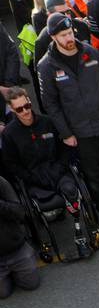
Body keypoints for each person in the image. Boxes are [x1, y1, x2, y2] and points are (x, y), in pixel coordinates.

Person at [37, 11, 99, 228]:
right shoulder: (46, 66)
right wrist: (66, 133)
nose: (69, 38)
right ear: (53, 37)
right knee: (92, 173)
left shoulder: (91, 53)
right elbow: (50, 105)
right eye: (64, 35)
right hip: (79, 131)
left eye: (70, 33)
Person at [3, 87, 93, 259]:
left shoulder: (48, 122)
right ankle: (45, 242)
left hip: (58, 172)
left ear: (30, 102)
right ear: (12, 110)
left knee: (71, 191)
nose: (26, 112)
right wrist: (31, 178)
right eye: (20, 109)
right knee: (38, 204)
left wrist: (60, 167)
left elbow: (65, 149)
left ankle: (80, 235)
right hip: (34, 180)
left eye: (27, 106)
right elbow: (11, 164)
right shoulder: (9, 134)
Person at [0, 173, 41, 299]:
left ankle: (16, 271)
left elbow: (19, 212)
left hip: (16, 247)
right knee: (3, 294)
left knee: (32, 284)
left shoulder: (1, 182)